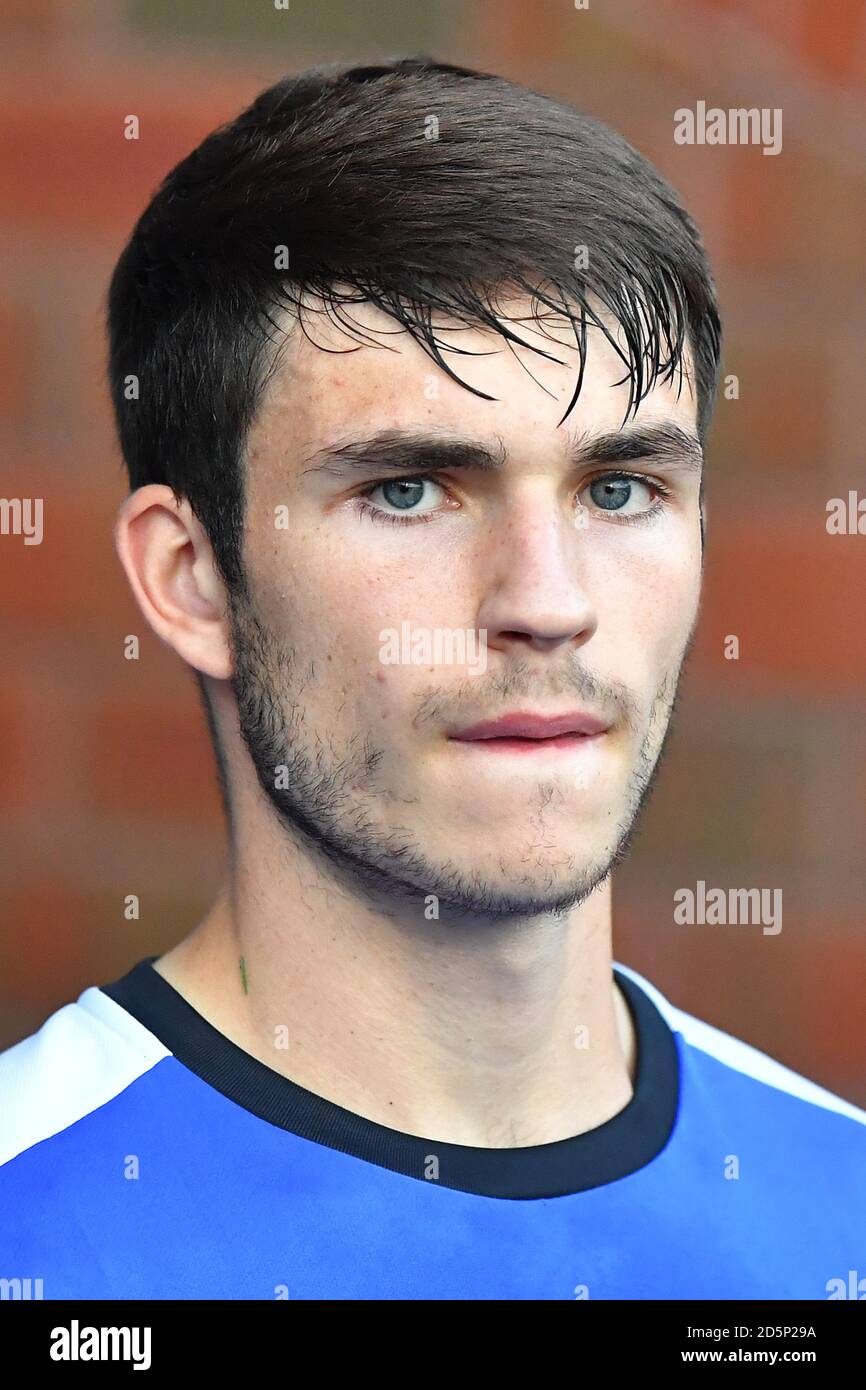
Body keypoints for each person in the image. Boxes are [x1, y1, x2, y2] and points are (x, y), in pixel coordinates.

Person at [1, 56, 863, 1301]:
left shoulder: (836, 1214)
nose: (547, 603)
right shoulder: (37, 1236)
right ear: (190, 576)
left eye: (618, 489)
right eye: (406, 490)